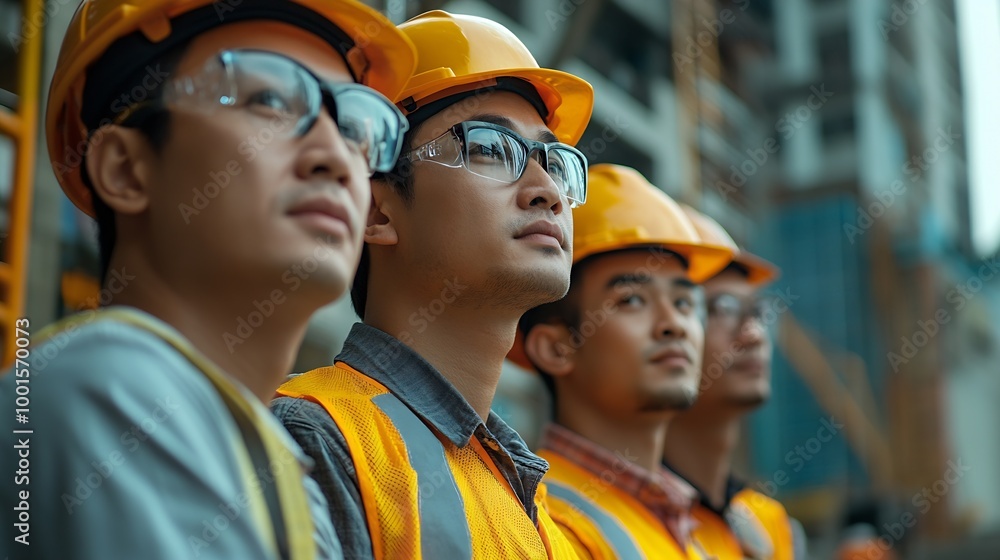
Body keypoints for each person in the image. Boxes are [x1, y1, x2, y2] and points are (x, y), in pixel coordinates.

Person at [0, 1, 414, 558]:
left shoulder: (285, 474)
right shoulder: (108, 386)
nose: (336, 158)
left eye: (356, 127)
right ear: (125, 168)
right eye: (269, 98)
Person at [271, 10, 593, 558]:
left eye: (555, 162)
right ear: (375, 210)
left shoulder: (536, 511)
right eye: (491, 148)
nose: (547, 191)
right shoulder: (315, 436)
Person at [514, 164, 733, 559]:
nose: (674, 325)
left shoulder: (694, 525)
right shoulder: (534, 520)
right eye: (632, 300)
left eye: (684, 303)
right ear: (555, 348)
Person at [663, 207, 805, 560]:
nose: (753, 334)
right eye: (722, 309)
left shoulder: (770, 525)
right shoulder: (618, 517)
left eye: (757, 313)